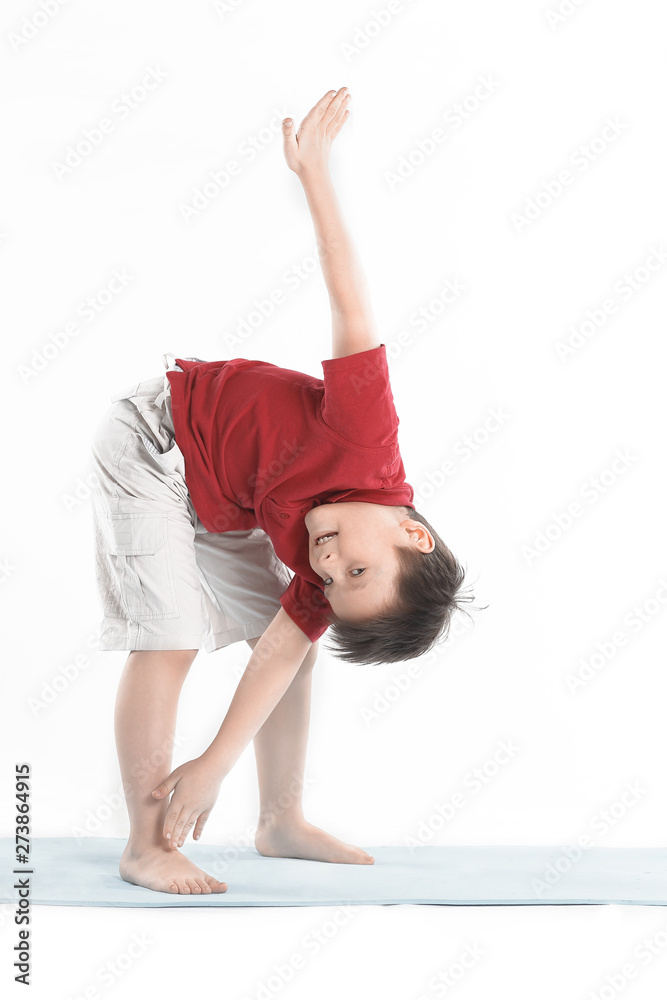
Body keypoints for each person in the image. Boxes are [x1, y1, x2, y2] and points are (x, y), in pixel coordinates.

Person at [90, 88, 473, 895]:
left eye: (333, 583)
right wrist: (314, 174)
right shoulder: (366, 440)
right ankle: (145, 842)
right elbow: (348, 299)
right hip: (154, 447)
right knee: (169, 636)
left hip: (219, 500)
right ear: (413, 533)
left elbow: (276, 652)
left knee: (288, 645)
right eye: (355, 571)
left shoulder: (319, 560)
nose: (326, 566)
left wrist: (216, 763)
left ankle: (279, 820)